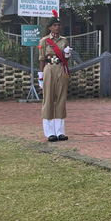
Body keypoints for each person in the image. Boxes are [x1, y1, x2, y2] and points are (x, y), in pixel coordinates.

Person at [38, 11, 71, 142]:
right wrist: (40, 76)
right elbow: (41, 59)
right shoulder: (44, 41)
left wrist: (67, 54)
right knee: (49, 99)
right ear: (50, 27)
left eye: (59, 25)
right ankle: (50, 132)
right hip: (49, 69)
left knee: (61, 99)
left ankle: (60, 132)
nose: (57, 27)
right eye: (55, 25)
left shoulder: (64, 40)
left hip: (61, 69)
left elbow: (65, 59)